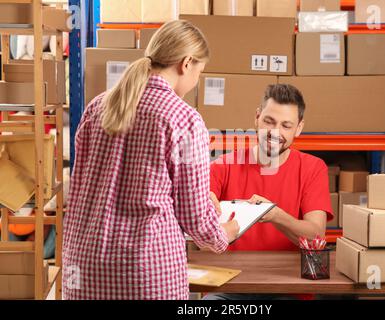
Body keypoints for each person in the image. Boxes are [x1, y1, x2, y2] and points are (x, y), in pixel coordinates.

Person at [63, 20, 239, 300]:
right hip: (145, 271)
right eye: (199, 72)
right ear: (186, 63)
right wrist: (223, 235)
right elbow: (194, 217)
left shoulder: (97, 106)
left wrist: (199, 198)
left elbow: (91, 185)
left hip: (85, 265)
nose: (196, 82)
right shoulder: (184, 118)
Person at [205, 84, 333, 300]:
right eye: (269, 121)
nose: (275, 132)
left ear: (299, 128)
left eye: (286, 125)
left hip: (289, 290)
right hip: (230, 287)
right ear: (257, 117)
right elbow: (198, 215)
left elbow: (316, 236)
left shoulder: (313, 168)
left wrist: (274, 214)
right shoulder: (223, 165)